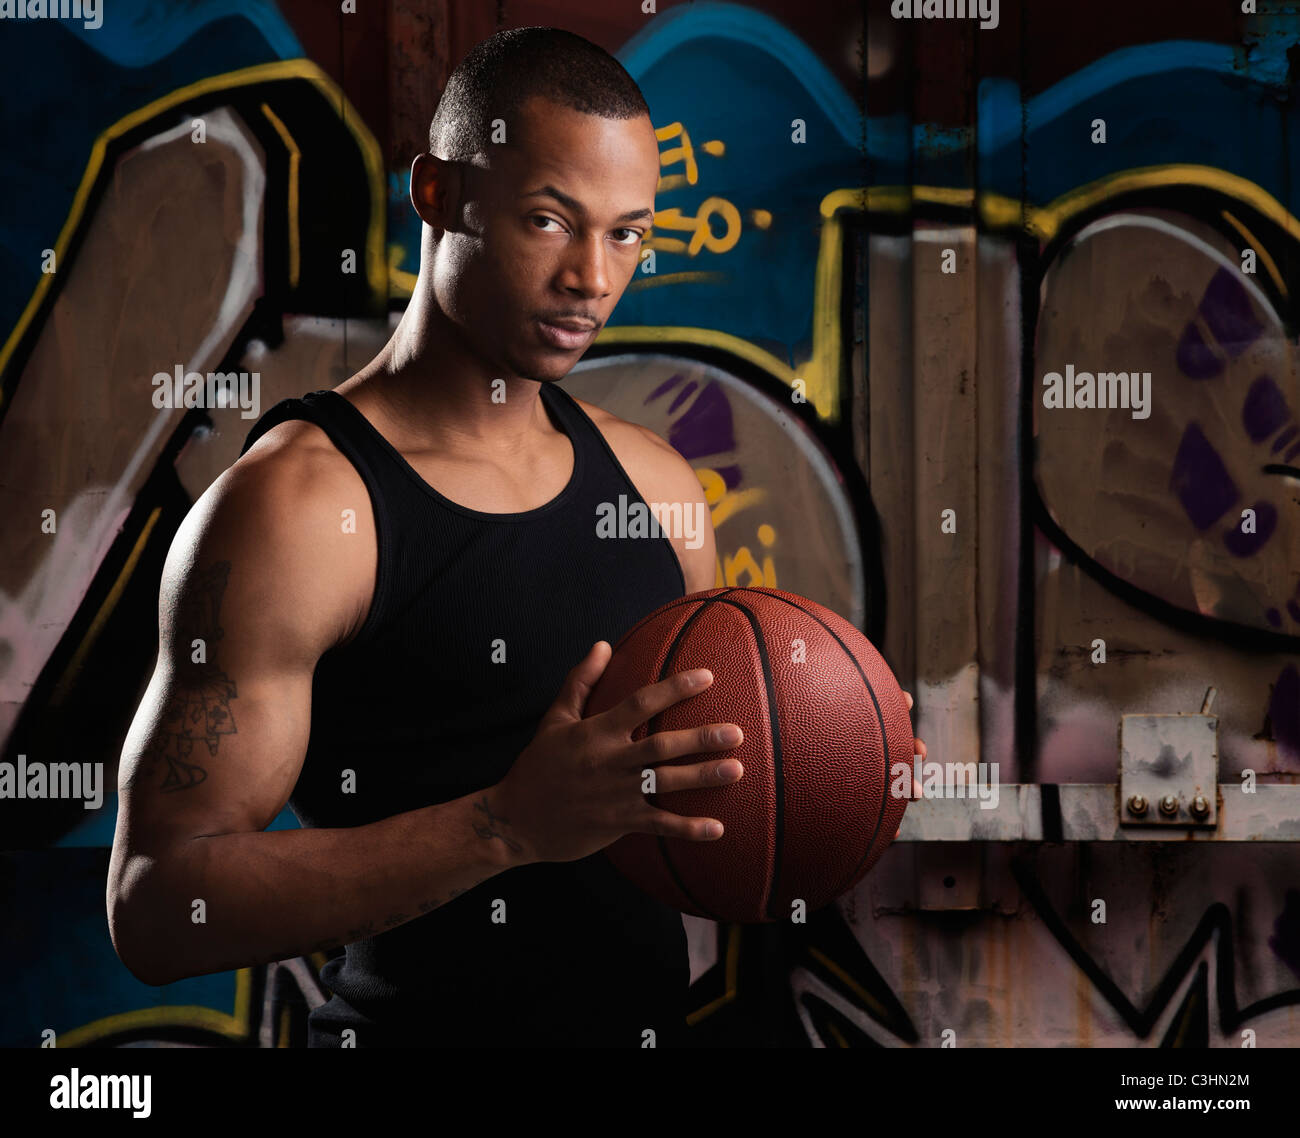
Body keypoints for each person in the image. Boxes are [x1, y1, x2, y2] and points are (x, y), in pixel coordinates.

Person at [107, 26, 924, 1049]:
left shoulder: (656, 484)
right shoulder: (298, 506)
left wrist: (838, 761)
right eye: (550, 220)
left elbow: (703, 808)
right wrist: (503, 826)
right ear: (439, 194)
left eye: (627, 234)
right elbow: (158, 903)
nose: (592, 276)